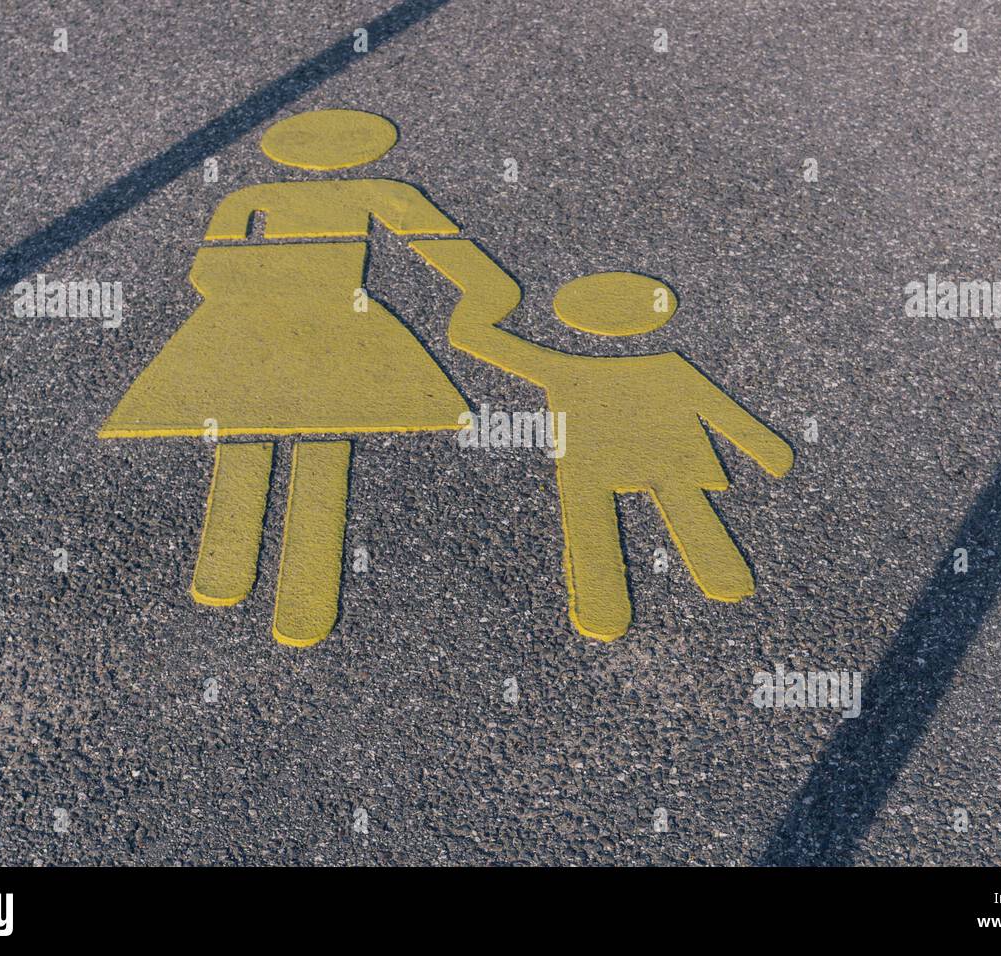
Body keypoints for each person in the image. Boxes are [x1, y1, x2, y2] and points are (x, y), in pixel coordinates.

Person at [99, 110, 470, 646]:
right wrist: (482, 294)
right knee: (327, 436)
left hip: (246, 316)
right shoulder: (376, 191)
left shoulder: (250, 198)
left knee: (243, 432)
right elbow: (442, 247)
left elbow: (205, 272)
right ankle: (305, 588)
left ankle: (228, 565)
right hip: (341, 315)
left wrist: (260, 279)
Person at [412, 239, 793, 641]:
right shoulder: (669, 368)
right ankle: (723, 575)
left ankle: (603, 605)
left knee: (591, 520)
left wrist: (478, 300)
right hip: (673, 454)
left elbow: (472, 335)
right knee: (687, 505)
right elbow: (722, 411)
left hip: (589, 460)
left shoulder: (561, 367)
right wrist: (769, 450)